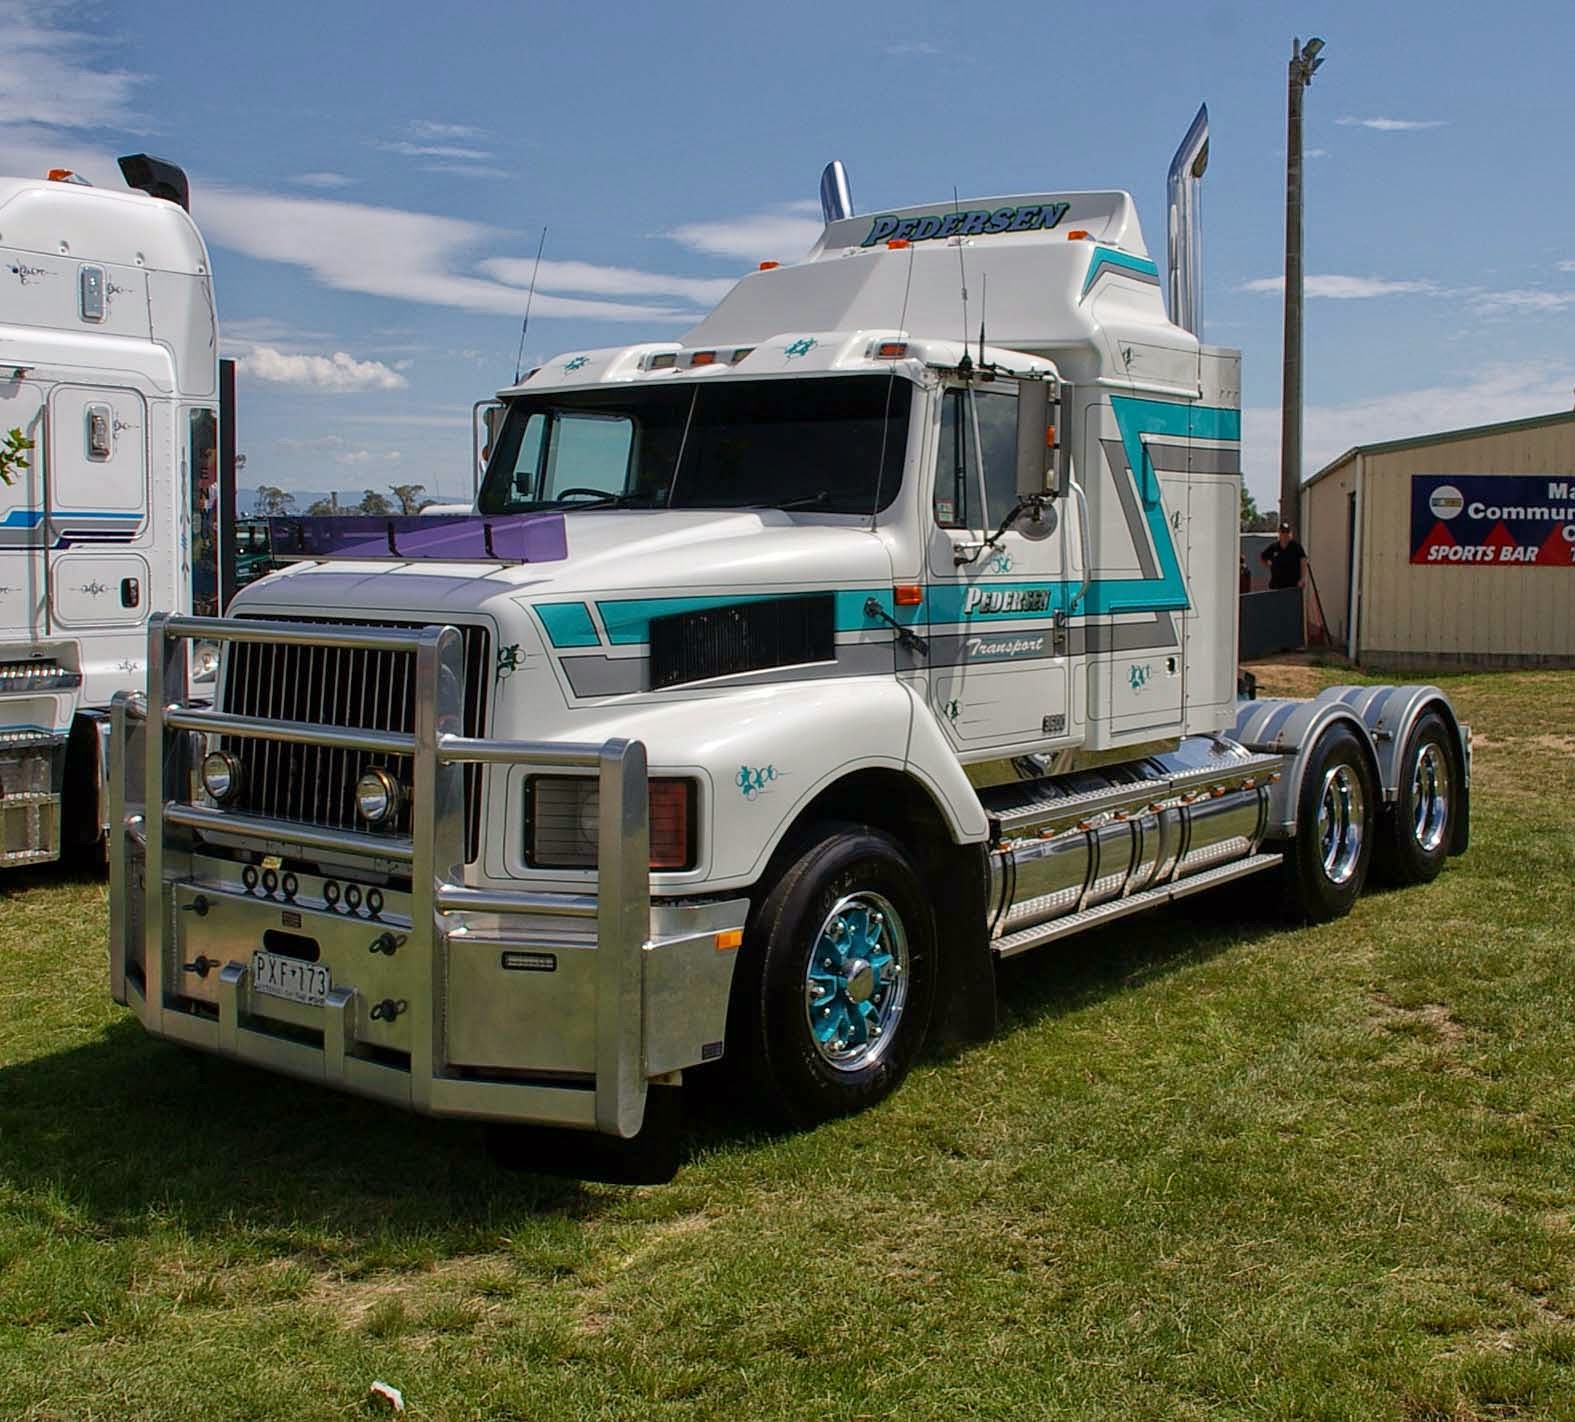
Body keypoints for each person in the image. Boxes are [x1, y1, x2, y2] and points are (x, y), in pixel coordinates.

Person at [1259, 521, 1307, 591]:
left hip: (1293, 586)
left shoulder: (1296, 547)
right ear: (1279, 533)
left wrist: (1302, 579)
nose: (1285, 534)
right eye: (1283, 532)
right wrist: (1268, 564)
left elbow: (1303, 562)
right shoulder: (1274, 547)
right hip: (1276, 586)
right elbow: (1262, 556)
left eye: (1287, 532)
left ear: (1290, 533)